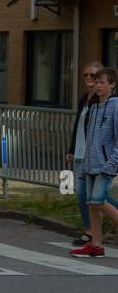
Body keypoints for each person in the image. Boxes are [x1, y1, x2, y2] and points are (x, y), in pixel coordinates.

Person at [70, 67, 118, 258]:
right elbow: (89, 138)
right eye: (96, 82)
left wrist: (110, 164)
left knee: (98, 200)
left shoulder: (115, 106)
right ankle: (96, 245)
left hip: (106, 165)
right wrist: (84, 166)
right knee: (91, 204)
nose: (98, 85)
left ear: (111, 85)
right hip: (90, 164)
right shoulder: (94, 106)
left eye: (102, 82)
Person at [67, 62, 103, 245]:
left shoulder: (102, 100)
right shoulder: (84, 99)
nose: (89, 78)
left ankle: (95, 232)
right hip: (80, 154)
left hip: (94, 156)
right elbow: (78, 127)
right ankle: (89, 230)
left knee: (98, 196)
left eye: (93, 75)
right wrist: (71, 150)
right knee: (82, 195)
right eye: (86, 75)